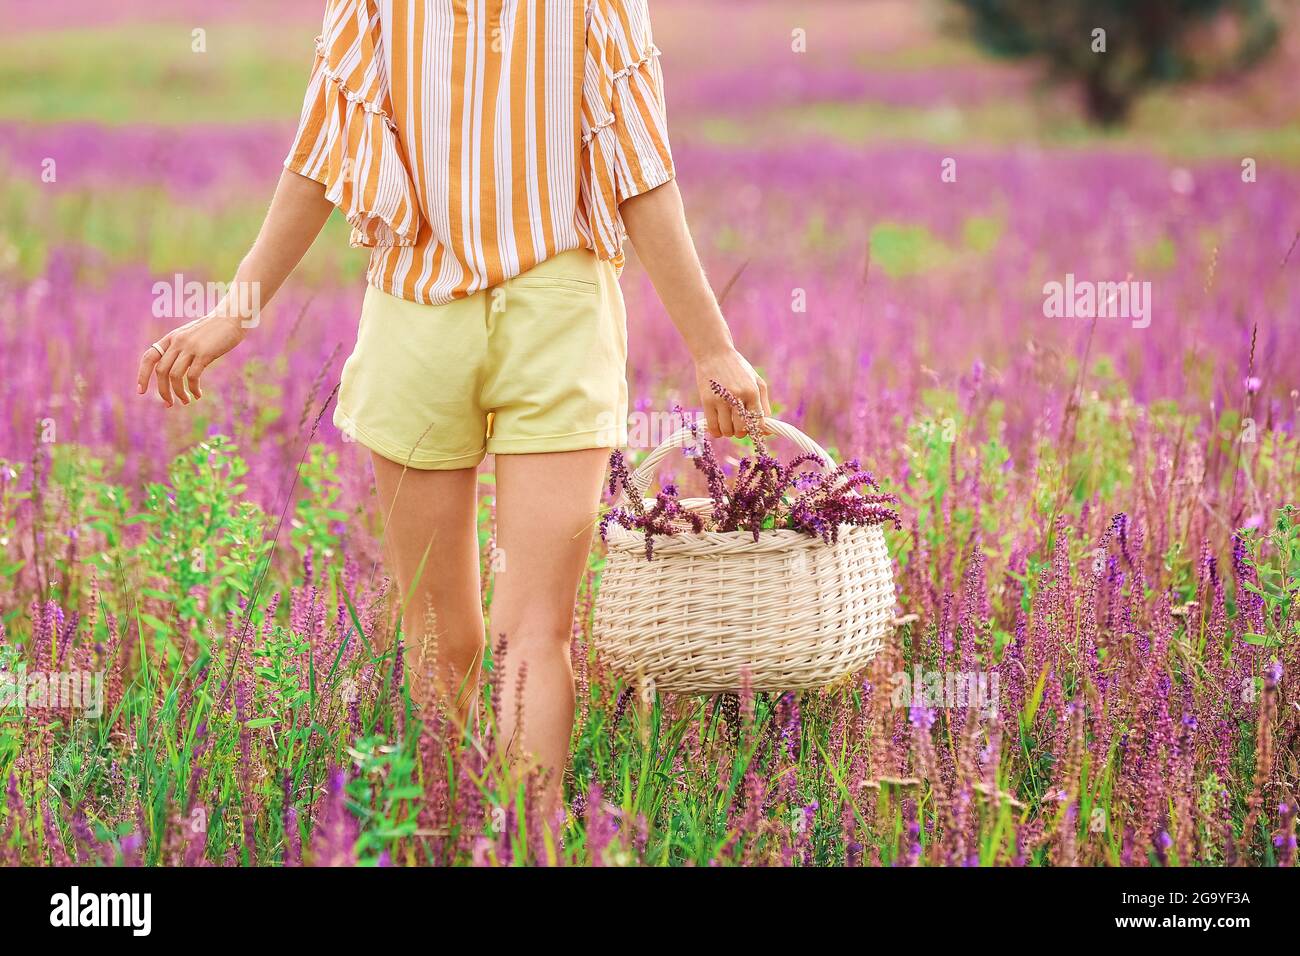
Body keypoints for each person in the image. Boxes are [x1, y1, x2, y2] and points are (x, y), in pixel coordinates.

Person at [136, 0, 770, 808]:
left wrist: (237, 309)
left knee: (437, 642)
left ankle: (453, 838)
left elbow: (320, 156)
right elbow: (643, 171)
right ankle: (527, 847)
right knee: (533, 637)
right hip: (558, 318)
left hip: (417, 317)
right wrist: (711, 349)